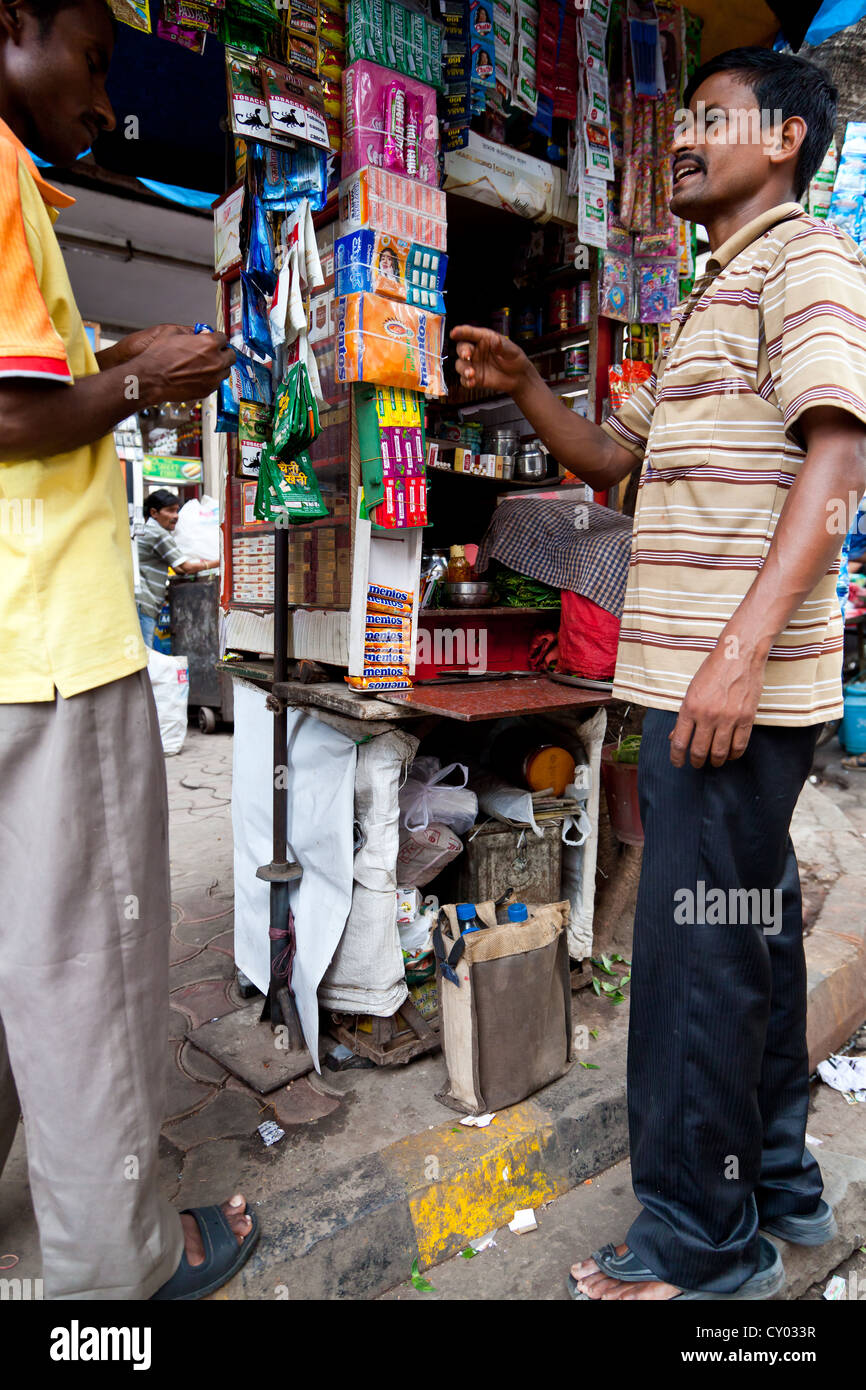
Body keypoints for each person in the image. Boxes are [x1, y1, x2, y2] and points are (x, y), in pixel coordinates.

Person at [453, 47, 866, 1301]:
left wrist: (734, 658)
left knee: (692, 955)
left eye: (708, 117)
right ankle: (779, 1185)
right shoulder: (706, 294)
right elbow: (601, 462)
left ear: (784, 137)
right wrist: (527, 386)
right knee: (749, 930)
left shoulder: (805, 265)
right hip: (702, 688)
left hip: (721, 692)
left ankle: (697, 1242)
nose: (679, 137)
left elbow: (837, 459)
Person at [0, 0, 259, 1298]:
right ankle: (116, 1274)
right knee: (83, 961)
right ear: (11, 23)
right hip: (45, 634)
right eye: (94, 63)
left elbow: (31, 383)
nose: (108, 105)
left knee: (15, 939)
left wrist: (115, 359)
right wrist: (141, 384)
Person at [137, 489, 218, 648]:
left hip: (140, 602)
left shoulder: (146, 530)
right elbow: (185, 567)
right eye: (170, 511)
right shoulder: (157, 533)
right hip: (144, 602)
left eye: (177, 510)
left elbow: (180, 569)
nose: (176, 516)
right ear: (154, 512)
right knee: (145, 653)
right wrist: (220, 561)